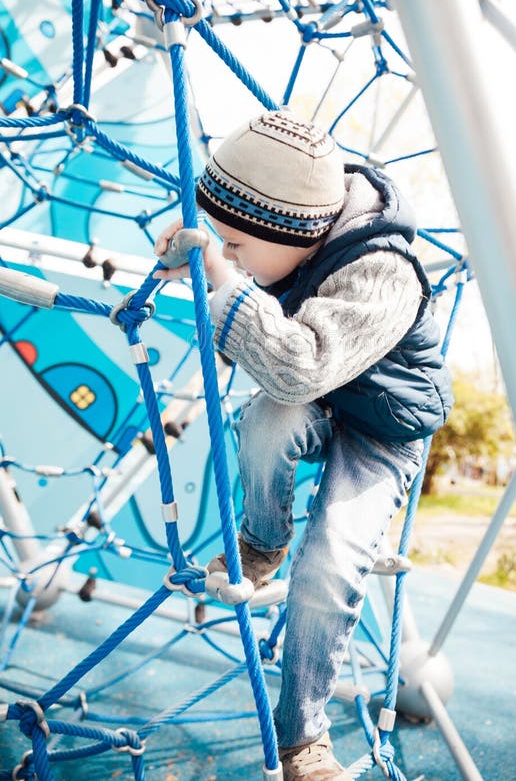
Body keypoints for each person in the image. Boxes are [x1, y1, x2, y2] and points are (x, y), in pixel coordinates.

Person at [154, 110, 453, 779]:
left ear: (298, 235)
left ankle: (303, 737)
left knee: (327, 567)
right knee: (264, 424)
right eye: (222, 243)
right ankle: (263, 539)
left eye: (236, 245)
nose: (225, 256)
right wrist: (197, 252)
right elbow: (244, 251)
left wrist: (225, 279)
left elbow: (299, 365)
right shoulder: (290, 227)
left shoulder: (384, 273)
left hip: (383, 427)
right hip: (323, 397)